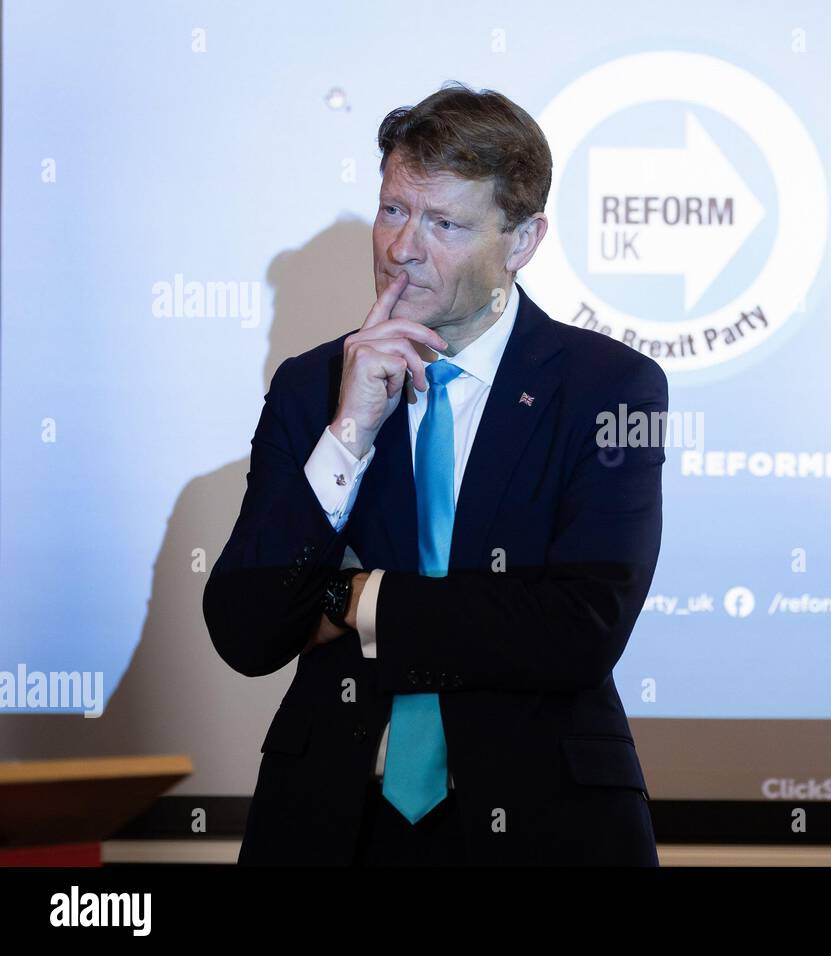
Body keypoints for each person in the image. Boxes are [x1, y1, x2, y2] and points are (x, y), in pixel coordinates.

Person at [203, 81, 666, 866]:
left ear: (522, 241)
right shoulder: (310, 386)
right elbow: (248, 627)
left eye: (444, 222)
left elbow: (578, 631)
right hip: (331, 827)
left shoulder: (610, 388)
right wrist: (349, 432)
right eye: (393, 210)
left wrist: (357, 597)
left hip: (542, 828)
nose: (402, 247)